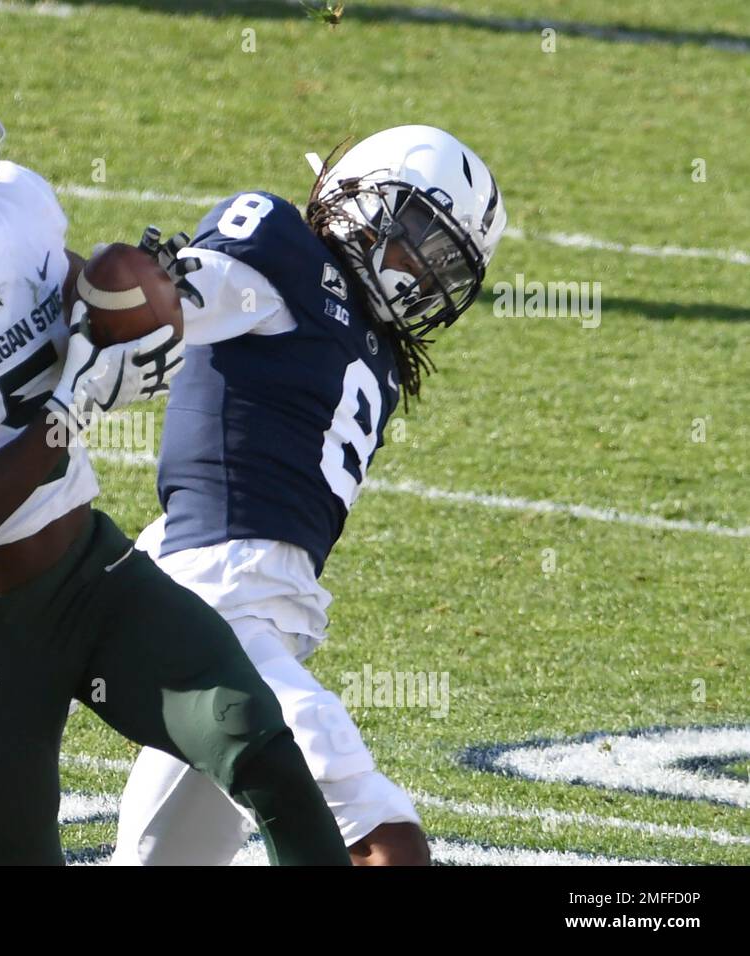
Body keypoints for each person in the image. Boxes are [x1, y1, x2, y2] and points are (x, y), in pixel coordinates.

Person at [0, 42, 350, 865]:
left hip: (95, 577)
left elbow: (88, 306)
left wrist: (133, 327)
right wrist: (70, 407)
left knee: (258, 742)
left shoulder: (21, 210)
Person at [113, 125, 507, 865]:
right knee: (384, 840)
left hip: (249, 607)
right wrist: (148, 294)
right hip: (220, 600)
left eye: (445, 261)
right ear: (360, 191)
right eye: (417, 232)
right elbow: (180, 299)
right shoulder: (285, 249)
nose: (419, 268)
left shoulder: (375, 352)